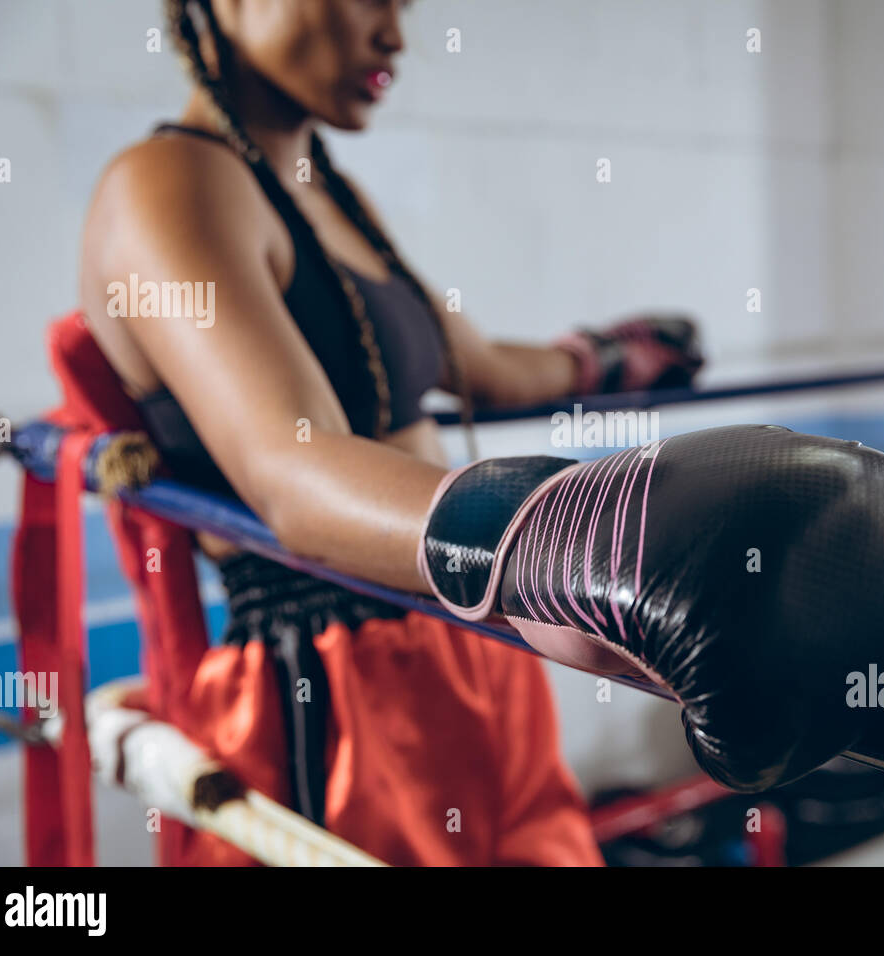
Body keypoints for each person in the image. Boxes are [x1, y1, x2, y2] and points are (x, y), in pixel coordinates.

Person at [75, 0, 702, 866]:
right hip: (333, 680)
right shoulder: (168, 183)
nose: (396, 35)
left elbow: (477, 365)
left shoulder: (332, 193)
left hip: (471, 632)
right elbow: (293, 472)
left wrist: (606, 358)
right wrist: (572, 546)